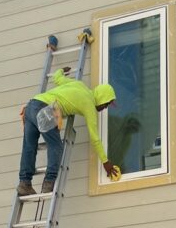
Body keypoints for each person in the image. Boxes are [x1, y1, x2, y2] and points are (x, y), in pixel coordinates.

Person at [18, 66, 118, 195]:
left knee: (29, 147)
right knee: (56, 146)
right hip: (46, 110)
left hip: (31, 106)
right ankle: (49, 183)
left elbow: (57, 78)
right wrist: (105, 162)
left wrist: (61, 71)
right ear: (101, 97)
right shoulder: (89, 104)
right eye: (106, 104)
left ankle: (24, 183)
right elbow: (95, 138)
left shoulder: (79, 85)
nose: (105, 108)